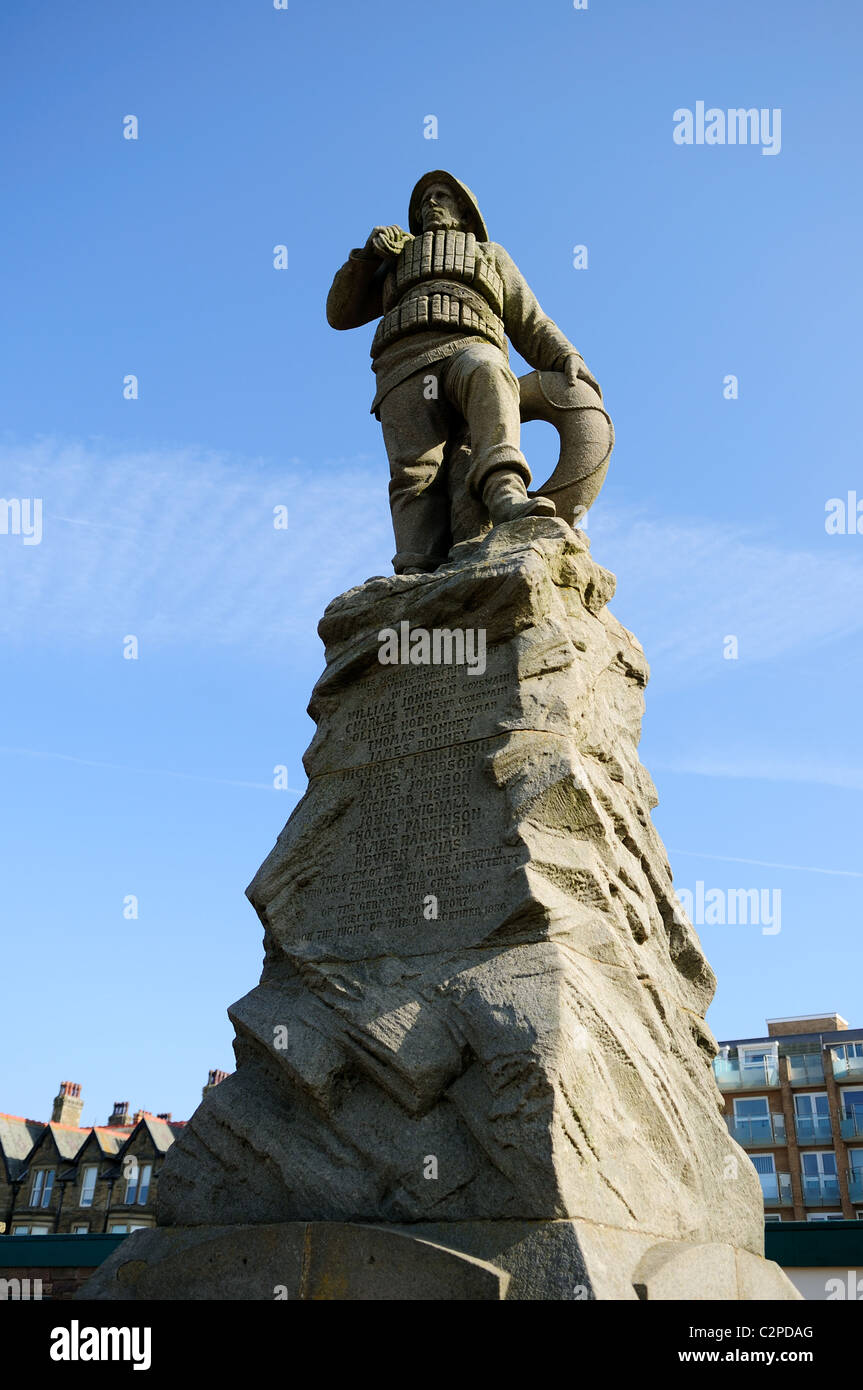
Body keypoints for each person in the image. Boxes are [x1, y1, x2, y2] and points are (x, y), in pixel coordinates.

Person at [327, 170, 600, 574]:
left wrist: (564, 355)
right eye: (424, 202)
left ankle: (505, 491)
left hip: (468, 346)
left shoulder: (491, 254)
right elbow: (339, 313)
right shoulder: (396, 258)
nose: (431, 204)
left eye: (441, 196)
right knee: (416, 471)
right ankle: (416, 569)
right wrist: (367, 258)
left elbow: (530, 319)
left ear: (466, 213)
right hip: (402, 365)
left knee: (489, 374)